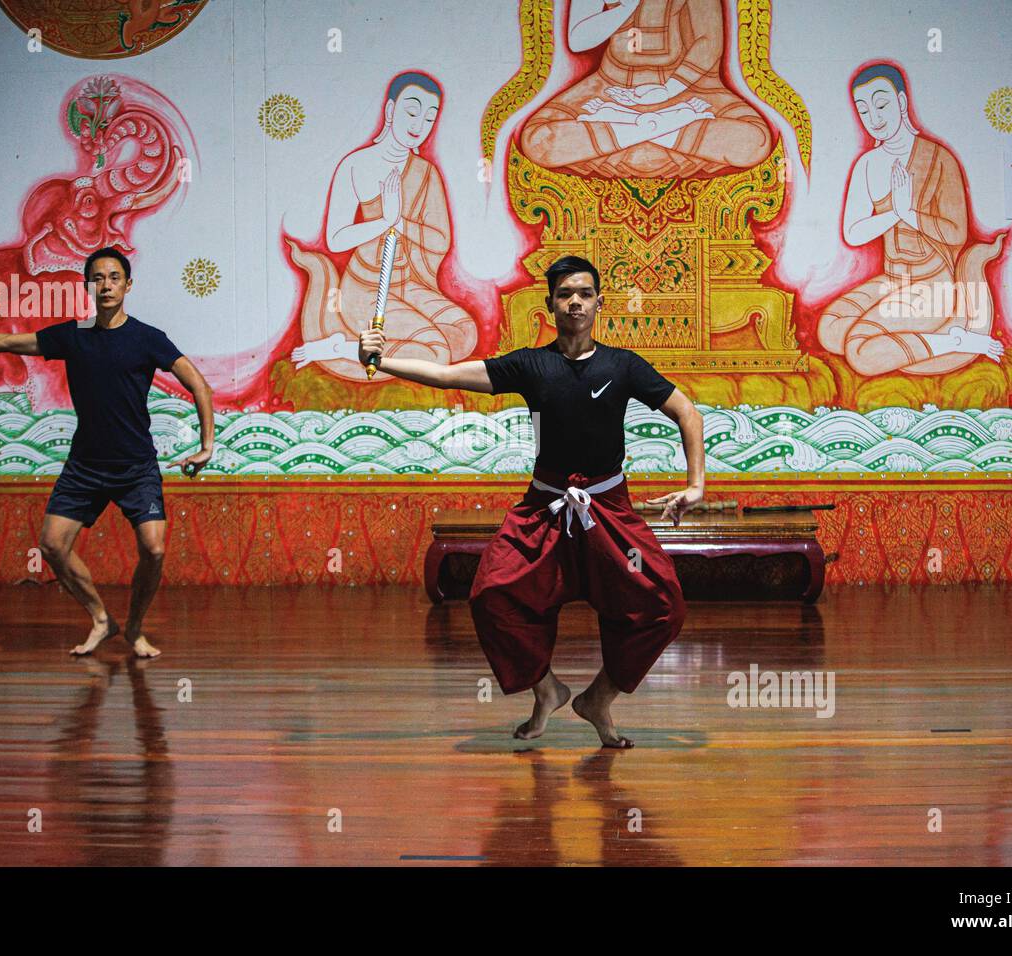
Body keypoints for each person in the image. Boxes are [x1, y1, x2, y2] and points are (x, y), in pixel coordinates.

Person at [359, 255, 705, 748]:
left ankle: (598, 700)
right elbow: (449, 375)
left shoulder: (623, 365)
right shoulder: (531, 364)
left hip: (608, 511)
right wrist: (380, 360)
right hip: (544, 509)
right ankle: (547, 690)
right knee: (490, 596)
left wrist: (696, 484)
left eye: (584, 293)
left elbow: (686, 412)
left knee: (664, 604)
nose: (575, 302)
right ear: (550, 305)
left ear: (599, 303)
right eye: (565, 295)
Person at [0, 246, 214, 658]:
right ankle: (101, 619)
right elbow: (6, 341)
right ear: (87, 286)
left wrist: (206, 446)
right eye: (98, 278)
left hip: (136, 466)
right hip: (85, 466)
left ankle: (132, 627)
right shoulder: (73, 337)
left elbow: (200, 385)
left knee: (154, 548)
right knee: (52, 546)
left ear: (128, 285)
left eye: (114, 277)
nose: (106, 284)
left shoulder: (149, 339)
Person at [816, 63, 1004, 376]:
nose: (874, 119)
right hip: (891, 281)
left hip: (932, 285)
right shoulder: (867, 164)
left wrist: (911, 215)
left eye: (881, 104)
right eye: (864, 110)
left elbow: (956, 233)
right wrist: (894, 213)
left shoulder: (937, 158)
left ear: (901, 103)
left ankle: (957, 341)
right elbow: (853, 232)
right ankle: (932, 340)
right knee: (831, 330)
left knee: (860, 351)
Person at [288, 71, 477, 380]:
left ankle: (350, 345)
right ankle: (341, 349)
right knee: (438, 353)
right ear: (390, 111)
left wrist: (398, 222)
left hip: (413, 283)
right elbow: (335, 240)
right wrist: (383, 221)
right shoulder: (355, 165)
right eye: (412, 112)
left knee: (464, 334)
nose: (419, 126)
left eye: (429, 118)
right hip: (366, 288)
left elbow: (440, 240)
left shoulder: (426, 173)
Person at [519, 0, 772, 179]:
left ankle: (629, 125)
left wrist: (668, 91)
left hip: (689, 88)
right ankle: (664, 126)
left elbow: (708, 44)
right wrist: (624, 7)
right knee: (537, 141)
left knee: (755, 142)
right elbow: (578, 40)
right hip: (609, 87)